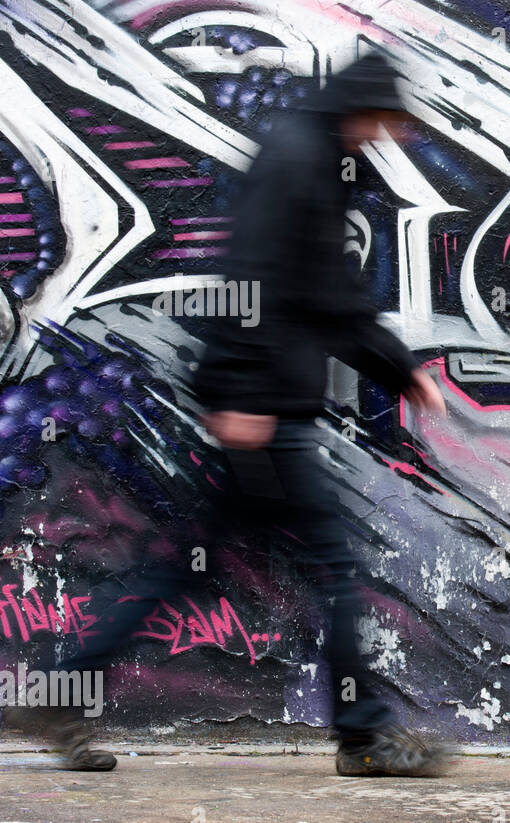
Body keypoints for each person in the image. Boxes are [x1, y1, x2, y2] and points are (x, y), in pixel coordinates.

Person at [33, 50, 452, 776]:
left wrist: (398, 368)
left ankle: (59, 694)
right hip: (264, 414)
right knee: (336, 570)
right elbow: (251, 277)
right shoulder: (299, 156)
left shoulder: (322, 159)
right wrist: (242, 393)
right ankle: (364, 736)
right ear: (370, 108)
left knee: (183, 569)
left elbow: (325, 294)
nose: (396, 136)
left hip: (265, 408)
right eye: (393, 121)